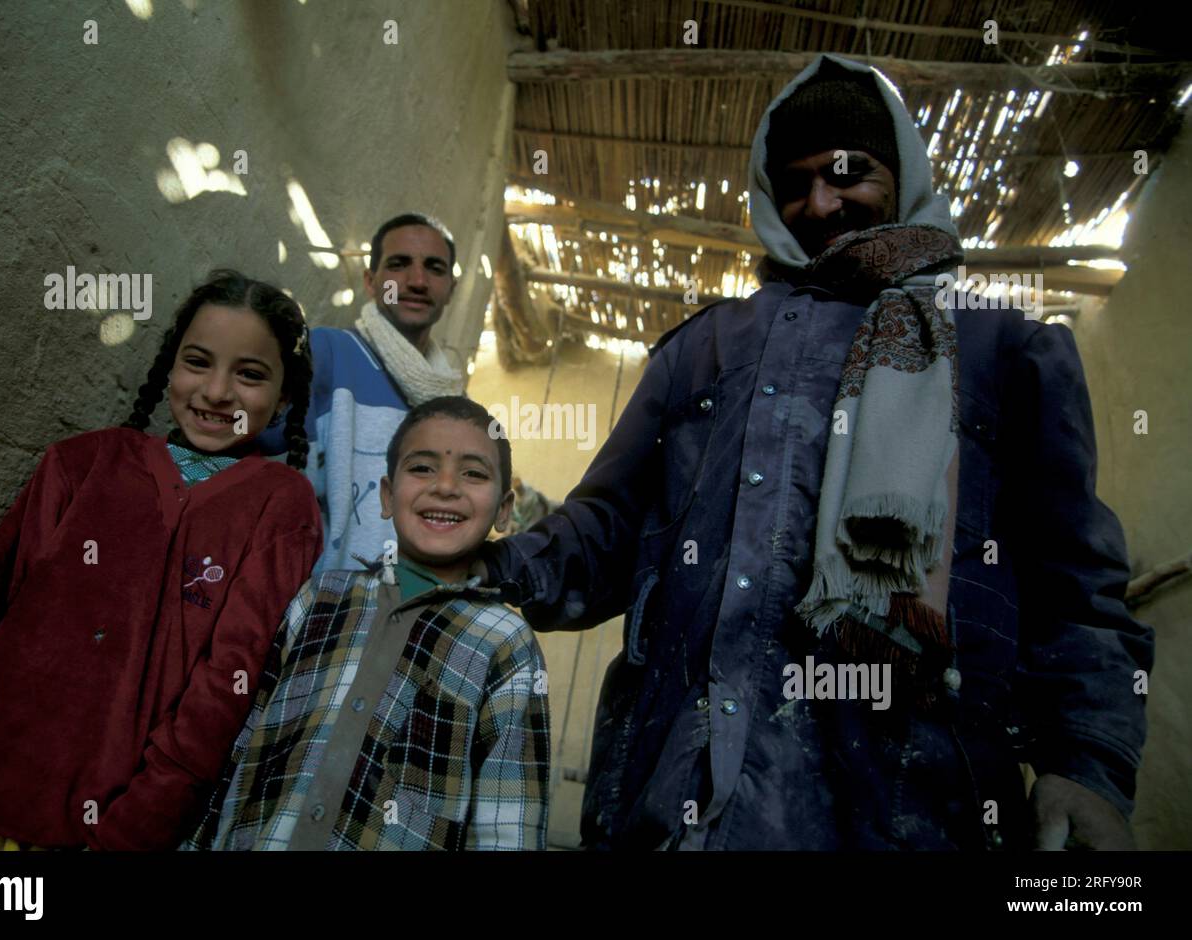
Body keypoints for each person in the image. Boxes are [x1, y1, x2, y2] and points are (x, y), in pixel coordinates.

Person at [476, 54, 1153, 850]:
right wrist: (490, 566)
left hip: (913, 812)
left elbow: (1075, 583)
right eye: (794, 184)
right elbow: (607, 531)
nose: (821, 203)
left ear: (901, 173)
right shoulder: (704, 349)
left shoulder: (1007, 353)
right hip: (680, 802)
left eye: (848, 173)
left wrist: (1088, 764)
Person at [0, 269, 322, 850]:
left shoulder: (280, 505)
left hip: (107, 825)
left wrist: (140, 824)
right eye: (197, 362)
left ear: (285, 396)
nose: (218, 392)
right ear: (169, 366)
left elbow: (225, 685)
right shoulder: (83, 463)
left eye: (249, 375)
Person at [188, 396, 549, 851]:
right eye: (422, 468)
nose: (445, 487)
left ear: (503, 510)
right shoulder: (318, 598)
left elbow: (507, 822)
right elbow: (241, 746)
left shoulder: (506, 644)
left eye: (474, 474)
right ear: (386, 495)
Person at [260, 213, 466, 576]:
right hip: (318, 609)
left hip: (402, 616)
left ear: (451, 287)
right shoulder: (327, 354)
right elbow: (266, 493)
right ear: (371, 282)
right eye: (399, 265)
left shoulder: (453, 405)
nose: (417, 281)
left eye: (434, 268)